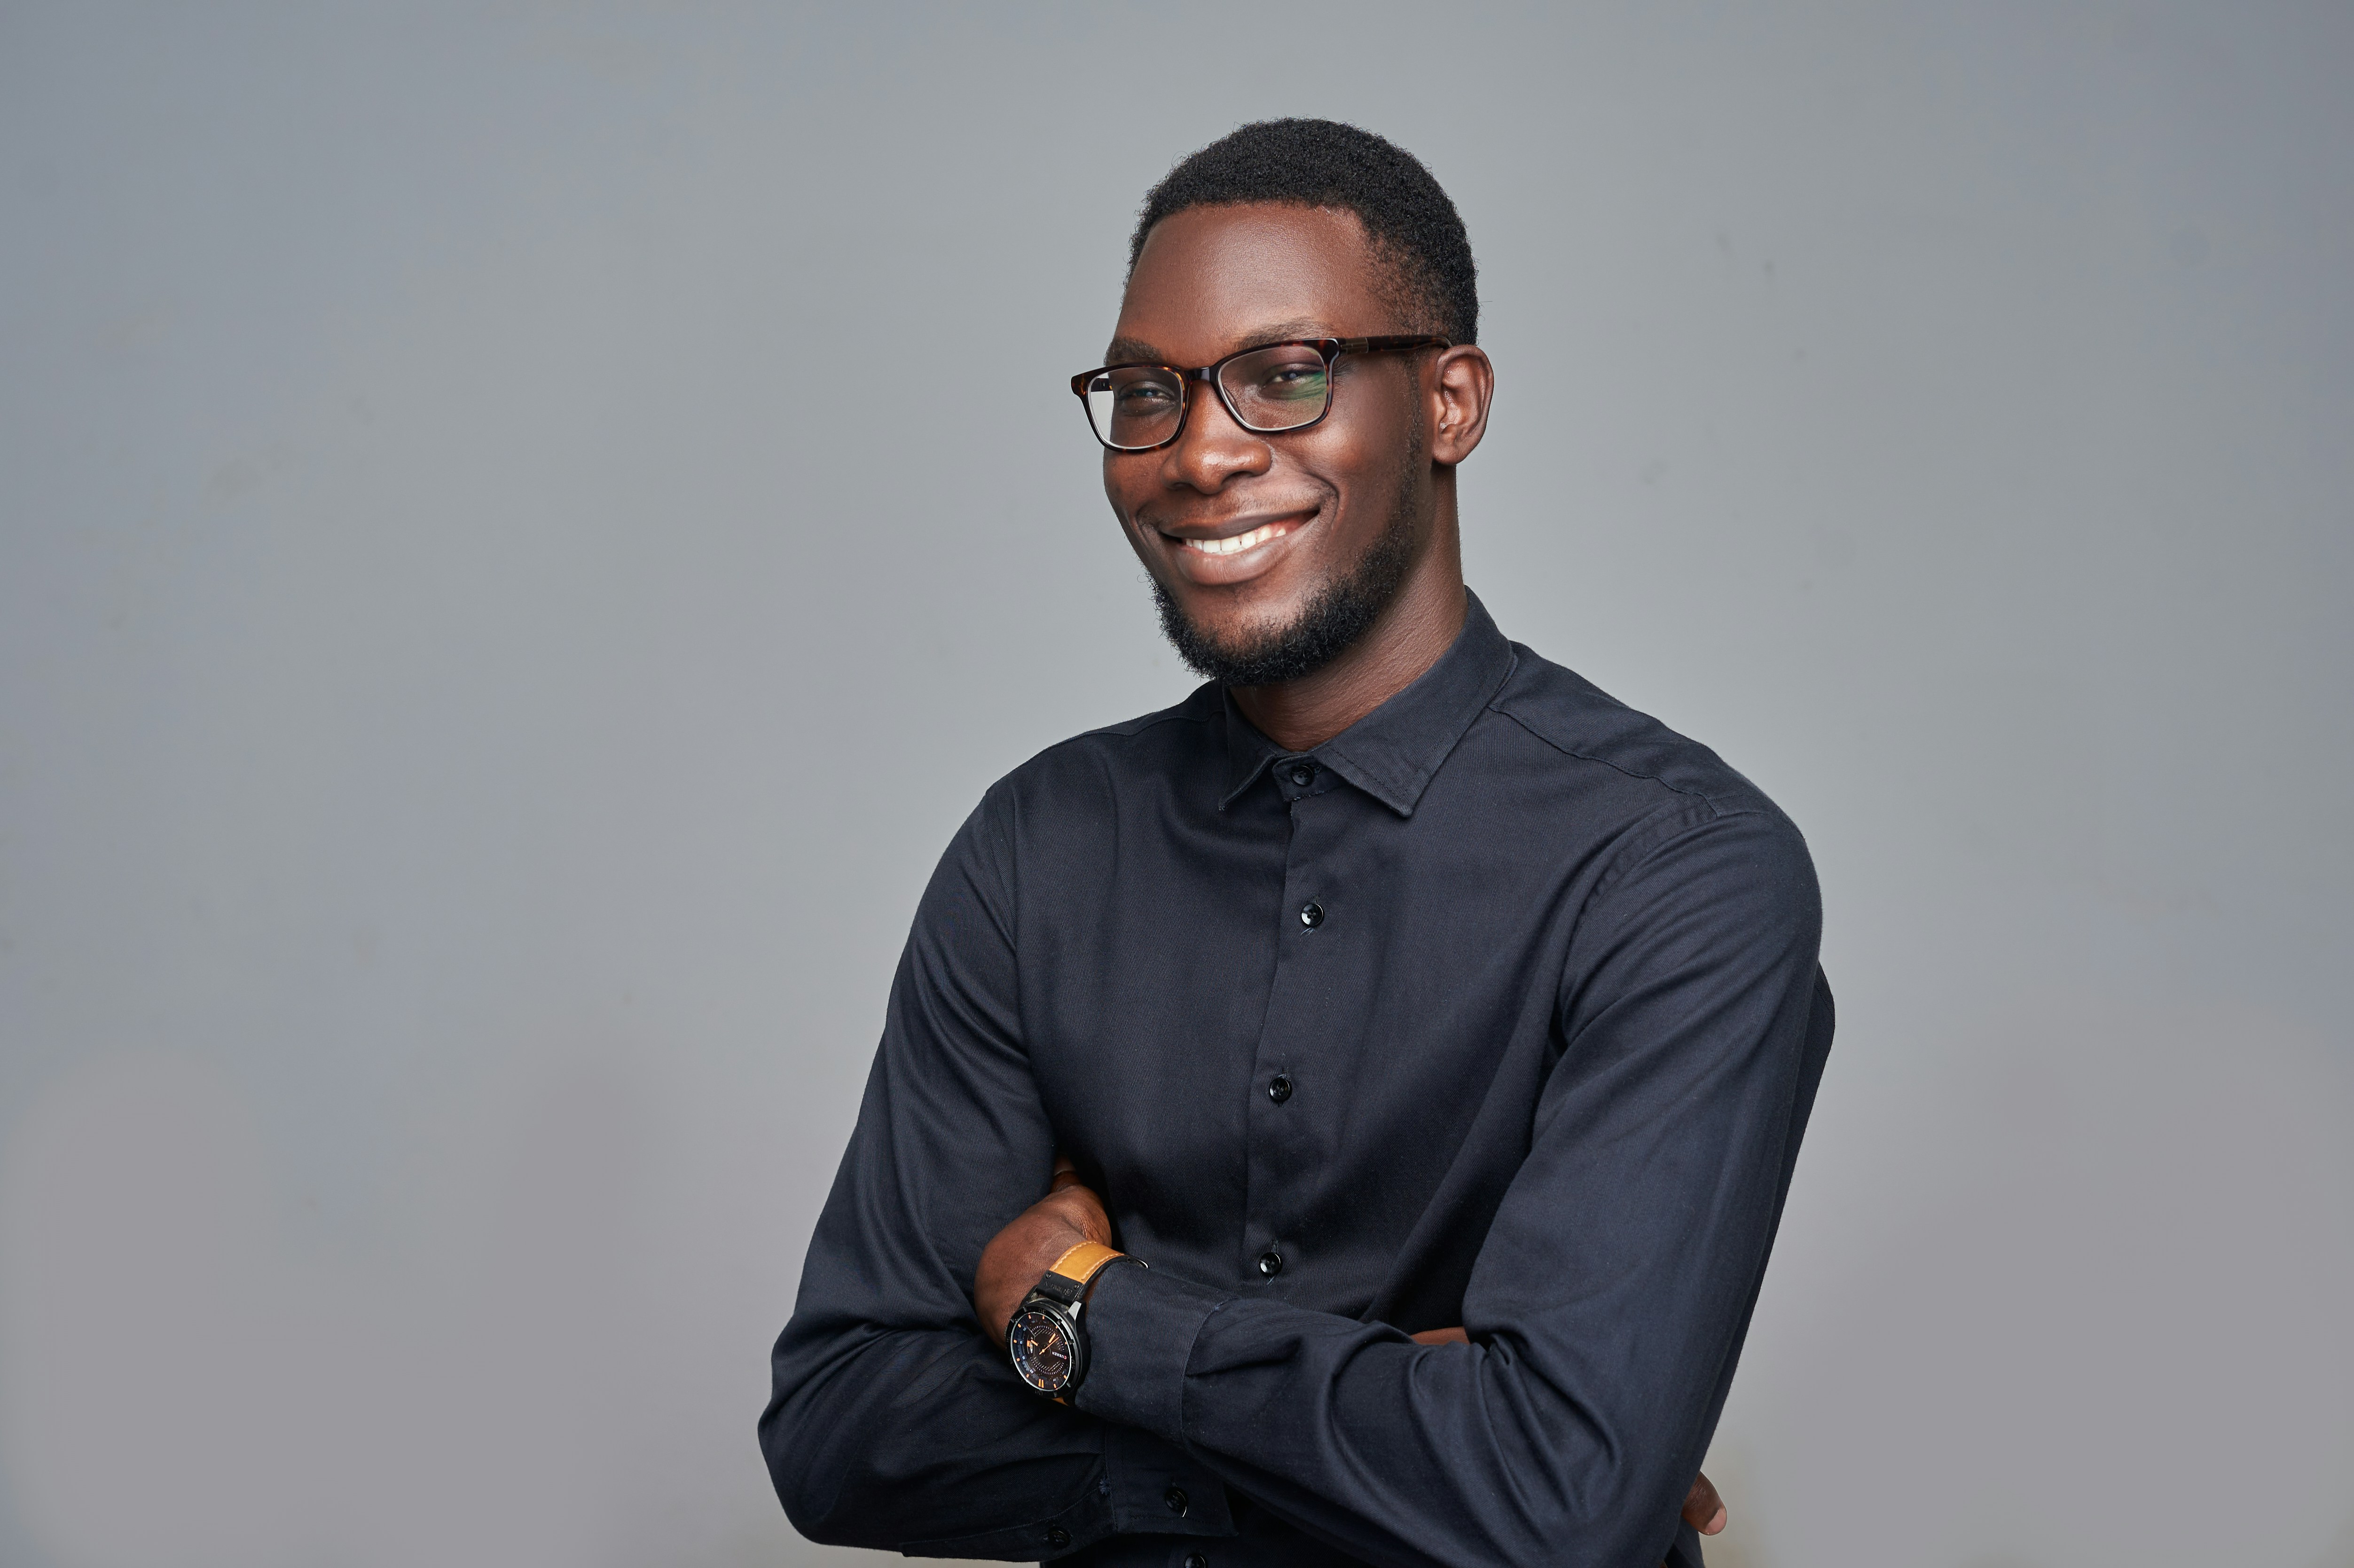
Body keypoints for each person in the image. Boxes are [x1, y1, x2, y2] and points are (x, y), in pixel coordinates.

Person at [760, 118, 1833, 1568]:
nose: (1199, 454)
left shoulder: (1677, 870)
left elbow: (1552, 1498)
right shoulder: (1035, 853)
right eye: (1149, 391)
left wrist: (1076, 1312)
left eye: (1285, 376)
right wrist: (1395, 1434)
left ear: (1450, 403)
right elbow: (841, 1430)